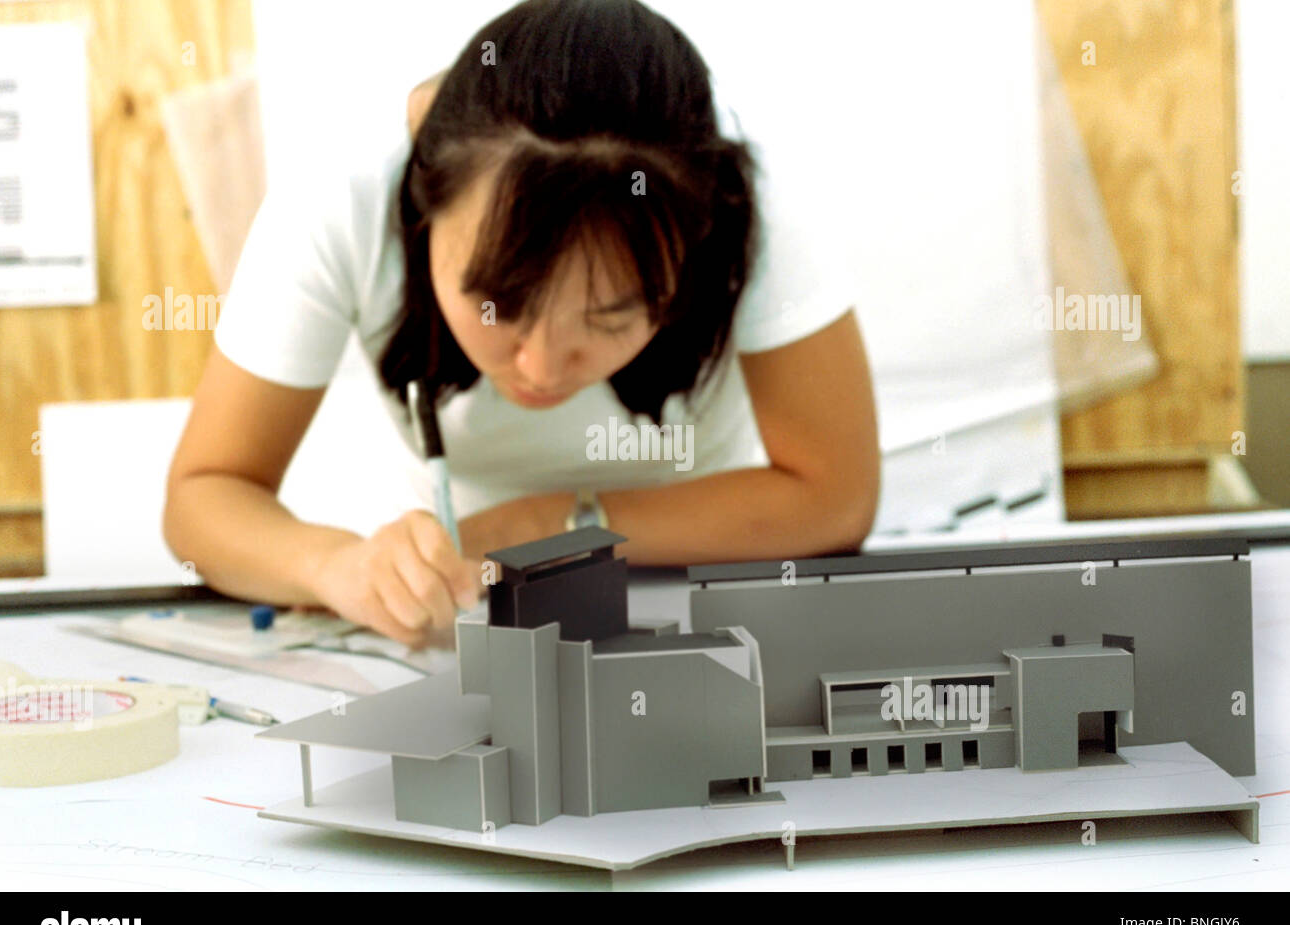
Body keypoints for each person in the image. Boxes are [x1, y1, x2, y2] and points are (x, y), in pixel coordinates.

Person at [163, 0, 879, 649]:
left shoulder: (748, 204)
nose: (538, 369)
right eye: (499, 306)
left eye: (612, 317)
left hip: (688, 567)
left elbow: (835, 496)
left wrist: (547, 523)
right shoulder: (340, 200)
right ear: (424, 198)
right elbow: (203, 496)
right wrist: (335, 565)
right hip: (455, 596)